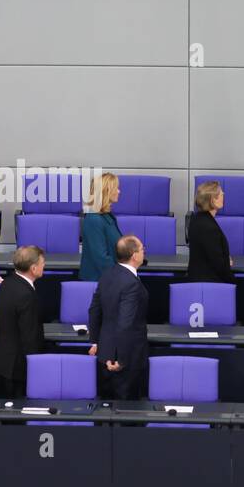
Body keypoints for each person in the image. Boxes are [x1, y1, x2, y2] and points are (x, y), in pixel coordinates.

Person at [88, 235, 150, 401]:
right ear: (134, 255)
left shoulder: (108, 274)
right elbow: (125, 324)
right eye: (142, 249)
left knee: (107, 407)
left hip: (105, 351)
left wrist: (95, 342)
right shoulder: (131, 283)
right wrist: (121, 359)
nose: (144, 252)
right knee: (126, 411)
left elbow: (94, 310)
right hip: (126, 358)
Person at [0, 245, 46, 398]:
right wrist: (35, 365)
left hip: (3, 359)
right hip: (19, 366)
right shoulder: (26, 295)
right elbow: (29, 335)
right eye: (42, 264)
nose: (44, 266)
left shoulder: (7, 283)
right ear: (33, 269)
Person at [186, 180, 234, 283]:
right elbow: (219, 265)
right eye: (220, 192)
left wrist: (224, 258)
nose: (223, 193)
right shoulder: (209, 228)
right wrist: (226, 262)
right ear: (213, 200)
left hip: (200, 279)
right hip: (210, 284)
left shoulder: (196, 219)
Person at [80, 172, 123, 282]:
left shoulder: (106, 216)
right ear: (106, 191)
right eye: (116, 188)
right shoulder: (94, 220)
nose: (119, 191)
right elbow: (101, 258)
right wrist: (122, 277)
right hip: (99, 282)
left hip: (108, 279)